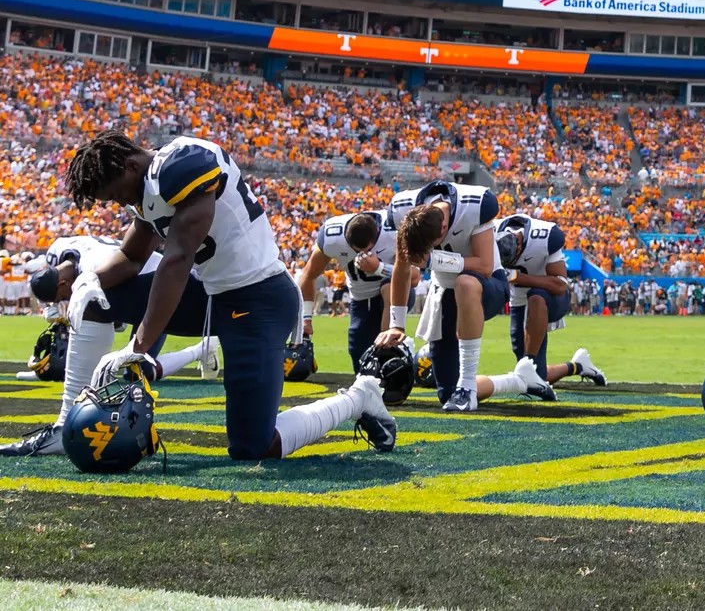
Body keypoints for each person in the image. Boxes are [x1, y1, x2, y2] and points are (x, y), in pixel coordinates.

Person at [56, 132, 397, 460]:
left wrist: (137, 347)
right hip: (211, 295)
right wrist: (90, 279)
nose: (121, 202)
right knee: (100, 299)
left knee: (253, 446)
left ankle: (359, 397)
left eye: (118, 195)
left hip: (257, 299)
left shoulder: (181, 163)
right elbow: (132, 257)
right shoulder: (148, 185)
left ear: (130, 166)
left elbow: (177, 259)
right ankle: (64, 424)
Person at [0, 234, 220, 458]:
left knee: (91, 307)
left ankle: (201, 348)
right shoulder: (64, 250)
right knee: (90, 302)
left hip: (172, 292)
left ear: (63, 283)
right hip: (151, 286)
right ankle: (66, 424)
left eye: (61, 297)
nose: (62, 301)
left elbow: (117, 312)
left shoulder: (94, 264)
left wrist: (86, 303)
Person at [374, 181, 523, 413]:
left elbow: (484, 265)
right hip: (445, 295)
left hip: (487, 285)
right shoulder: (403, 209)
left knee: (465, 282)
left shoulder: (475, 204)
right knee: (446, 394)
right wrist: (397, 325)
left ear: (443, 229)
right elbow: (402, 267)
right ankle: (516, 380)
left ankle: (467, 386)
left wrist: (434, 260)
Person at [495, 213, 608, 395]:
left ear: (519, 245)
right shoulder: (491, 232)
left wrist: (521, 277)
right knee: (536, 373)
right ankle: (578, 366)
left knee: (536, 297)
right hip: (518, 299)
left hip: (548, 296)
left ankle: (532, 362)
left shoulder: (545, 237)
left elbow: (560, 285)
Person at [296, 205, 400, 372]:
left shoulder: (394, 231)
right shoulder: (333, 236)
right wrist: (306, 318)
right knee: (358, 354)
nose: (360, 255)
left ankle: (391, 348)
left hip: (396, 295)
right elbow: (308, 275)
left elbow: (414, 277)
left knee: (388, 286)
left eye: (365, 250)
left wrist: (379, 268)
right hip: (359, 297)